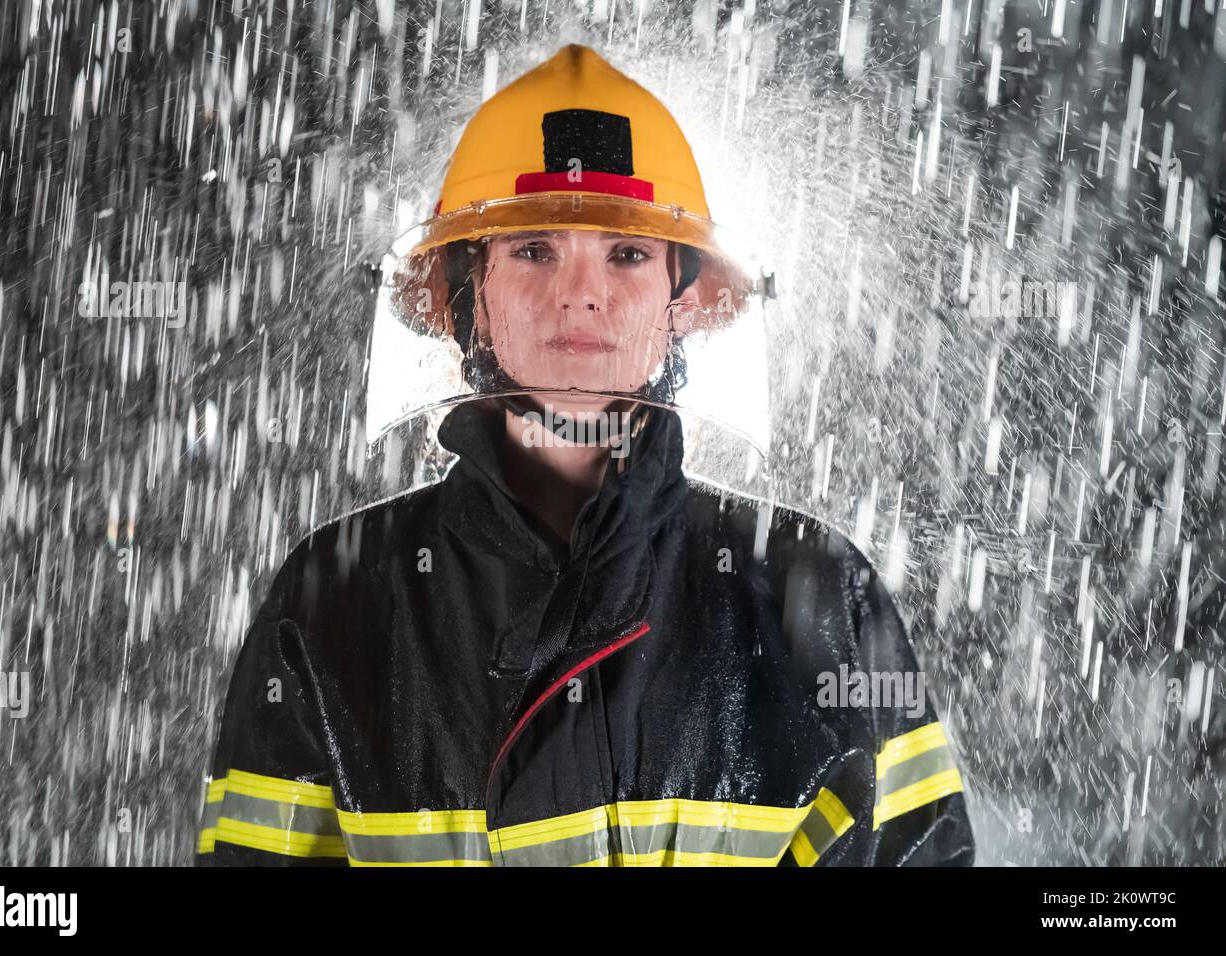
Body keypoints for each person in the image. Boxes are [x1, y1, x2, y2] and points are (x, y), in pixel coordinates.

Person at [195, 43, 976, 866]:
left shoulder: (811, 590)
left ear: (681, 302)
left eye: (627, 254)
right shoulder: (335, 599)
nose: (581, 292)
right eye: (534, 251)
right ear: (474, 299)